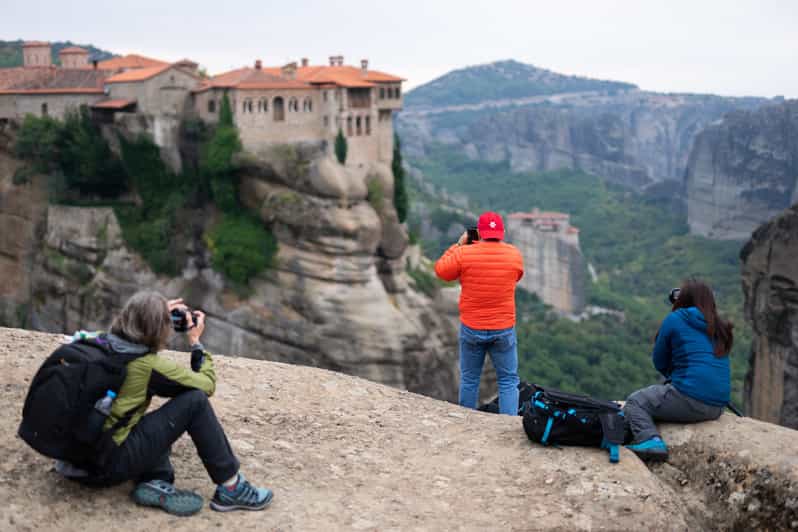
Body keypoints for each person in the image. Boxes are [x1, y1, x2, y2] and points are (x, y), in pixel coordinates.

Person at [63, 291, 273, 516]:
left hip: (71, 458)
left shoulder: (95, 341)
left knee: (136, 417)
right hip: (104, 466)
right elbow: (206, 385)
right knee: (195, 402)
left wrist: (152, 310)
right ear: (158, 329)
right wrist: (195, 342)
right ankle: (232, 488)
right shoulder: (146, 365)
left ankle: (155, 478)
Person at [624, 279, 734, 461]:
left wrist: (675, 378)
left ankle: (651, 442)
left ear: (683, 299)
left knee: (636, 402)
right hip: (718, 407)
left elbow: (659, 360)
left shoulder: (676, 318)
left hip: (690, 399)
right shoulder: (719, 325)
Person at [434, 211, 524, 415]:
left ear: (479, 232)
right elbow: (516, 276)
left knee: (470, 378)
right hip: (503, 327)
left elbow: (441, 271)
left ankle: (466, 419)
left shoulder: (464, 254)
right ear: (502, 232)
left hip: (472, 327)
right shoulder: (514, 254)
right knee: (508, 380)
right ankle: (508, 423)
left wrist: (459, 245)